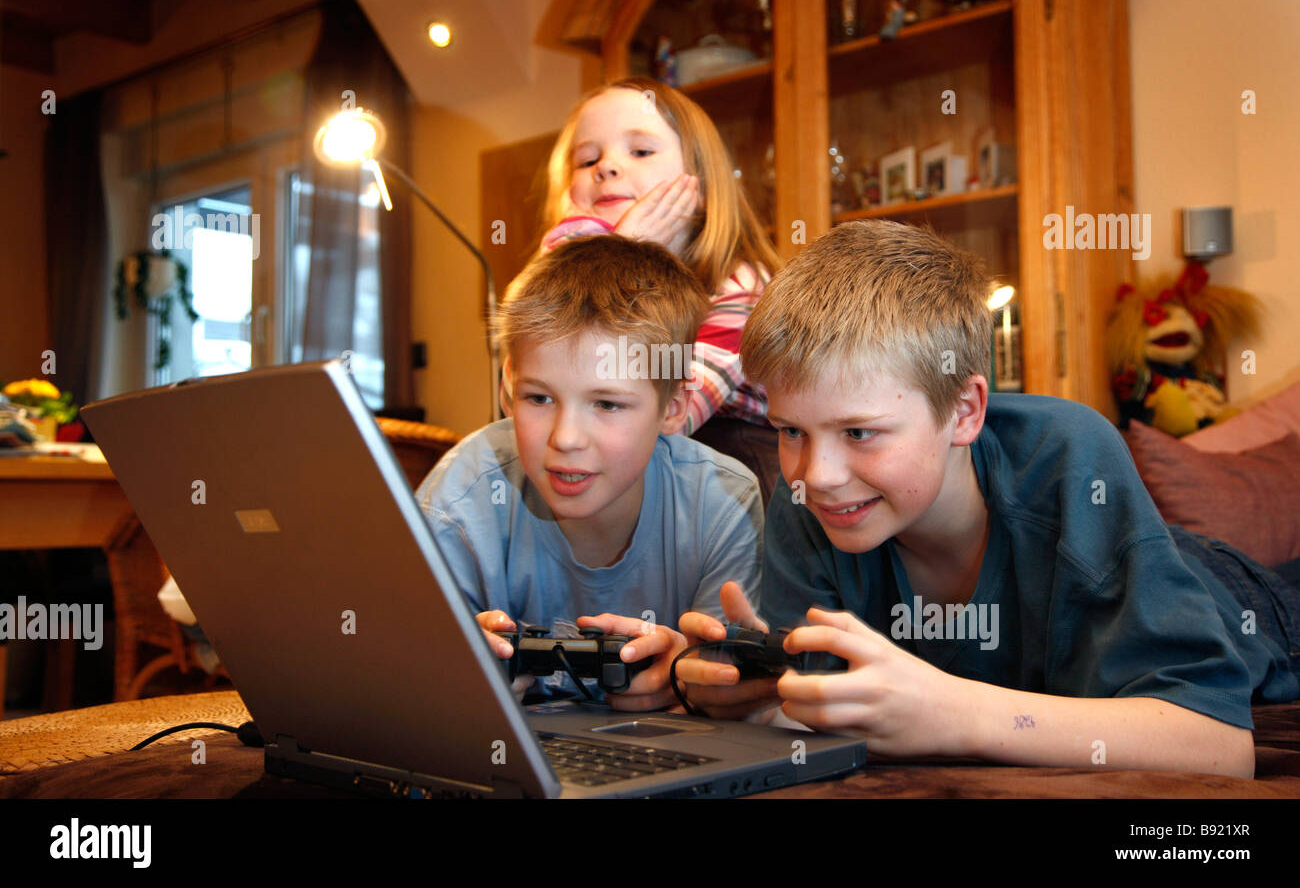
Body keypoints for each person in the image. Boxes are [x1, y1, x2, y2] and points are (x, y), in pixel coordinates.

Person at [677, 219, 1300, 777]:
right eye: (791, 431)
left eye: (859, 432)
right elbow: (827, 709)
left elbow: (1221, 746)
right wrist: (753, 691)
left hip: (1233, 591)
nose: (819, 472)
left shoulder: (1069, 452)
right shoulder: (807, 497)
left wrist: (958, 712)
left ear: (965, 410)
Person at [416, 234, 763, 711]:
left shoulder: (722, 504)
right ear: (508, 385)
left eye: (606, 403)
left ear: (674, 407)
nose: (566, 438)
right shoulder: (460, 498)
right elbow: (397, 675)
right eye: (539, 398)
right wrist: (444, 672)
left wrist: (692, 684)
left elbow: (733, 691)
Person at [518, 77, 785, 502]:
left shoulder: (741, 289)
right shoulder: (564, 256)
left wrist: (623, 255)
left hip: (743, 475)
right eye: (587, 160)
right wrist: (605, 256)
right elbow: (516, 390)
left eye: (640, 151)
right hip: (624, 464)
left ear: (700, 180)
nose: (605, 167)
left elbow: (669, 418)